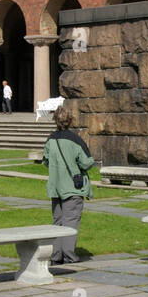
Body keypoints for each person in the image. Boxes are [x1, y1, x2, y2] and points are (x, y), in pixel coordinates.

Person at [43, 106, 96, 265]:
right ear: (70, 121)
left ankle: (55, 255)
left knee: (58, 221)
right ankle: (69, 255)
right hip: (73, 187)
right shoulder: (75, 140)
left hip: (55, 187)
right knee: (71, 221)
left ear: (55, 121)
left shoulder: (50, 140)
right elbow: (87, 162)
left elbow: (46, 161)